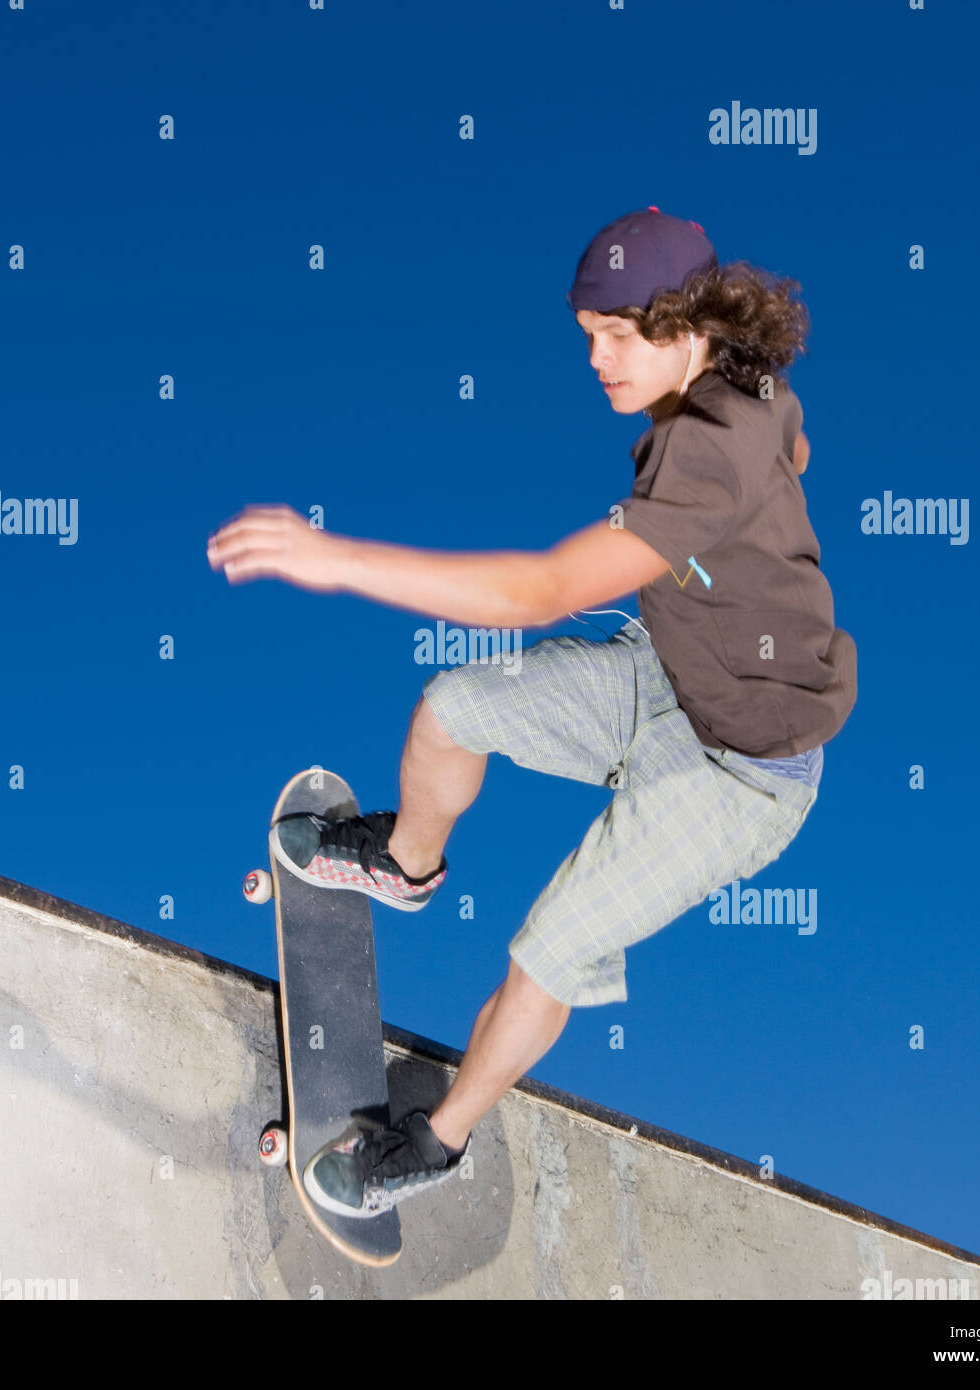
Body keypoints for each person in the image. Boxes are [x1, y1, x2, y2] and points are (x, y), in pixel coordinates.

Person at [207, 207, 857, 1219]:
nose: (596, 361)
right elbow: (799, 444)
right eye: (585, 336)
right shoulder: (752, 387)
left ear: (690, 326)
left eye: (618, 337)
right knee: (453, 707)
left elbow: (540, 590)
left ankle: (433, 1142)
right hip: (665, 671)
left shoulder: (712, 450)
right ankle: (404, 864)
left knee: (545, 951)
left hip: (742, 778)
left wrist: (335, 559)